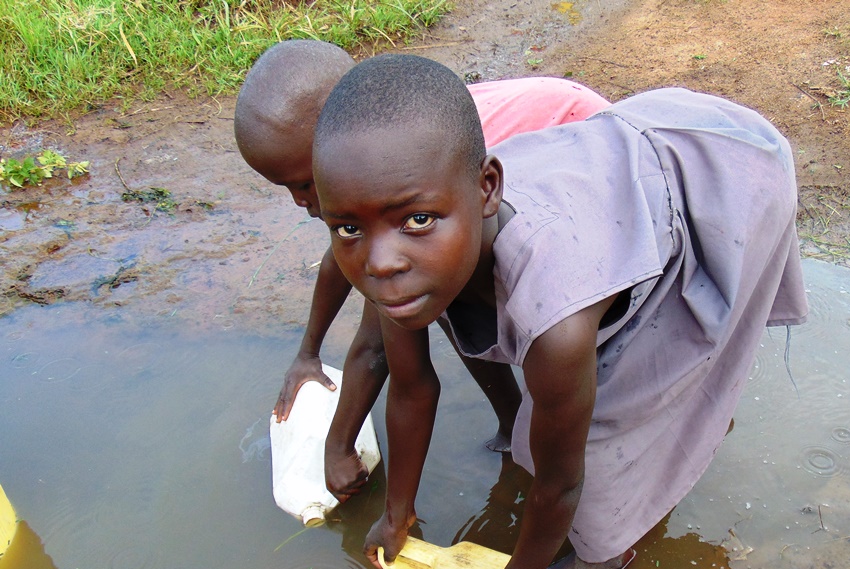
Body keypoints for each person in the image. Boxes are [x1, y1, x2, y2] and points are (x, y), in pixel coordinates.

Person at [311, 53, 808, 569]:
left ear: (487, 188)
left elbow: (562, 476)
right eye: (348, 230)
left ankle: (612, 549)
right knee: (577, 405)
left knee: (624, 412)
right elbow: (412, 388)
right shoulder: (407, 256)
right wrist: (397, 514)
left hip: (725, 175)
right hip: (621, 167)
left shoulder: (558, 318)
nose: (380, 262)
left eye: (417, 220)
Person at [233, 40, 610, 503]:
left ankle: (547, 435)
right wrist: (307, 353)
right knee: (445, 299)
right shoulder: (389, 173)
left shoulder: (423, 163)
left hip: (574, 140)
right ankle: (513, 422)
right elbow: (344, 262)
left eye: (305, 182)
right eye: (287, 189)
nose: (300, 201)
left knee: (514, 314)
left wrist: (338, 444)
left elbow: (376, 343)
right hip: (502, 173)